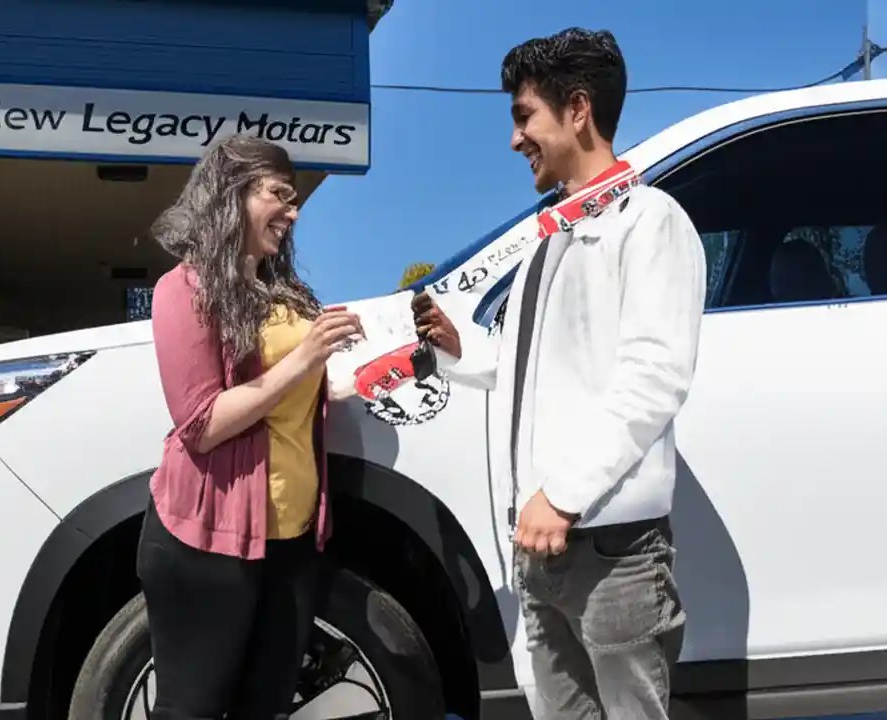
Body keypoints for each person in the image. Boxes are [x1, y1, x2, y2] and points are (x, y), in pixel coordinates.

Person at [412, 27, 706, 720]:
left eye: (524, 117)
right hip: (541, 546)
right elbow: (532, 371)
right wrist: (459, 350)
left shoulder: (651, 222)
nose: (516, 140)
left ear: (578, 110)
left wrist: (565, 496)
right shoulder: (555, 240)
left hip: (608, 547)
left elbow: (655, 374)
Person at [137, 134, 363, 719]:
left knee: (266, 710)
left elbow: (309, 393)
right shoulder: (182, 289)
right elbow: (201, 424)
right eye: (278, 195)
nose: (292, 212)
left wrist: (393, 361)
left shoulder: (284, 294)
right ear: (232, 194)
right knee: (191, 711)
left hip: (291, 539)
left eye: (294, 201)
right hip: (206, 541)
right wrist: (305, 356)